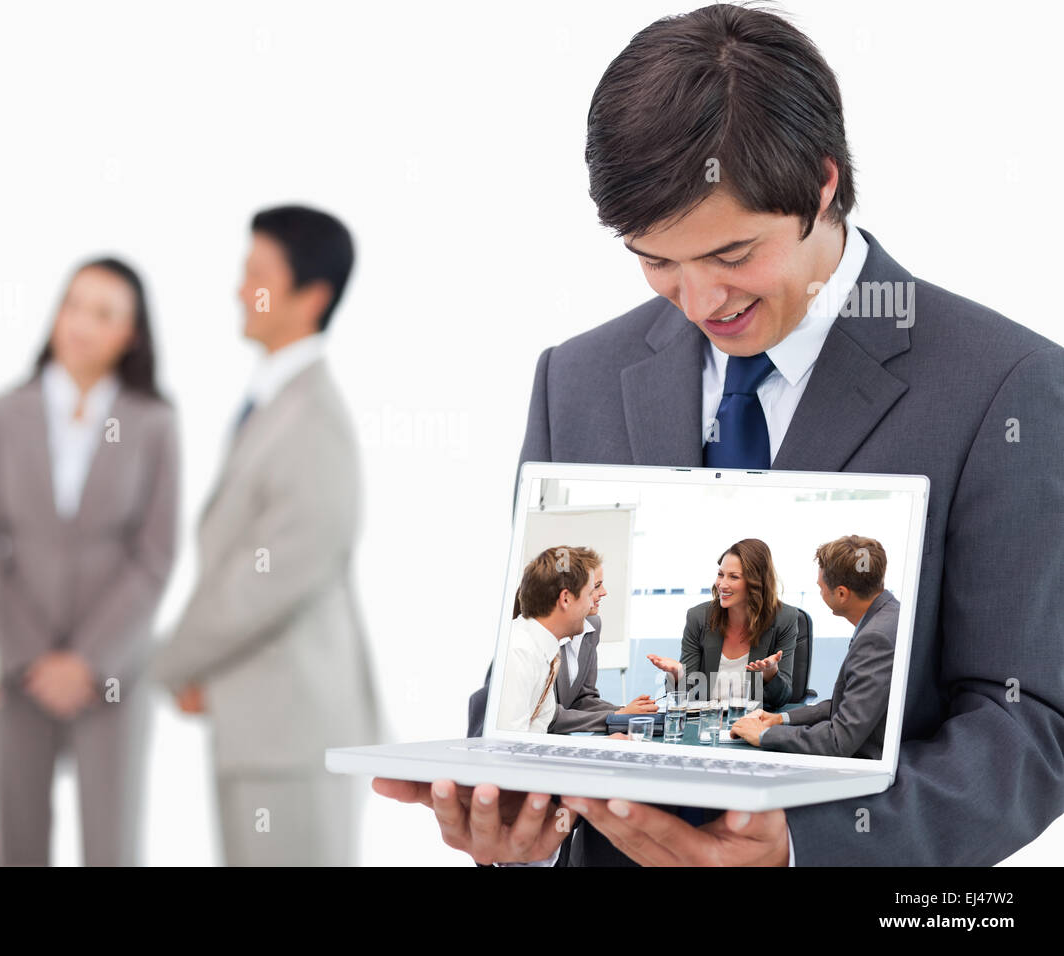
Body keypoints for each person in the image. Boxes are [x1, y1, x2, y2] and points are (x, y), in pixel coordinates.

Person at [374, 4, 1064, 866]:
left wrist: (799, 851)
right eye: (656, 259)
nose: (703, 304)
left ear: (820, 185)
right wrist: (511, 811)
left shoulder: (1003, 383)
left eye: (734, 254)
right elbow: (529, 673)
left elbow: (1027, 723)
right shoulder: (576, 379)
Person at [149, 205, 381, 866]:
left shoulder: (314, 421)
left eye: (256, 275)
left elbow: (265, 581)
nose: (238, 290)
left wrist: (165, 664)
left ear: (311, 297)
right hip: (257, 724)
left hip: (293, 732)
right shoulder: (274, 402)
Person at [0, 257, 179, 866]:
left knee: (112, 845)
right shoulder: (3, 414)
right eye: (73, 305)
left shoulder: (153, 422)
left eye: (104, 313)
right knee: (17, 845)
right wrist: (32, 655)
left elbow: (155, 554)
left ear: (131, 336)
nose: (82, 323)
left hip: (111, 674)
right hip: (19, 666)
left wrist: (87, 660)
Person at [731, 536, 898, 760]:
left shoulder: (876, 638)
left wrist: (766, 734)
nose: (820, 591)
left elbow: (839, 740)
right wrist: (781, 719)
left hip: (867, 764)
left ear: (841, 594)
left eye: (821, 587)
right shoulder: (888, 615)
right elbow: (848, 705)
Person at [468, 573, 656, 738]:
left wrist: (624, 712)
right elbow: (524, 738)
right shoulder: (524, 650)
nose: (603, 593)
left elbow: (577, 701)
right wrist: (616, 718)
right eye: (595, 587)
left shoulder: (574, 634)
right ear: (565, 598)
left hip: (539, 748)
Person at [645, 538, 797, 710]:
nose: (722, 584)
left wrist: (770, 674)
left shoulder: (785, 618)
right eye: (720, 574)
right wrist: (678, 673)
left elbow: (782, 699)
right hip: (707, 724)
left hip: (753, 725)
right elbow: (682, 698)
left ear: (756, 582)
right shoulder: (698, 617)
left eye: (733, 577)